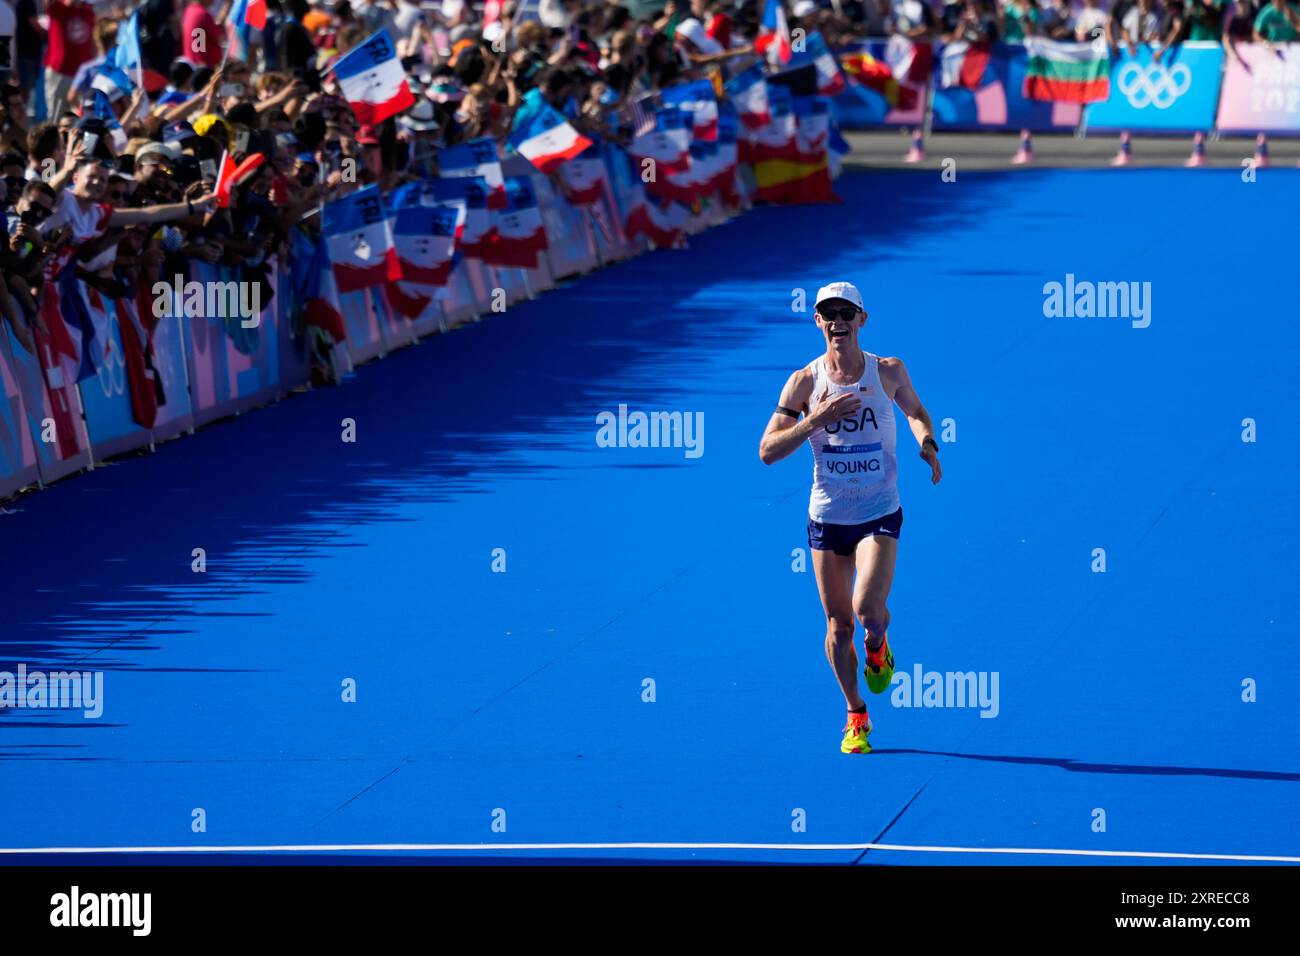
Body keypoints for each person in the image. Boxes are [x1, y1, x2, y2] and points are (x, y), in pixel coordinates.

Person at [758, 282, 942, 754]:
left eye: (846, 311)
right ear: (817, 322)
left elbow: (917, 410)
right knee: (838, 626)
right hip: (827, 518)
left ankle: (878, 645)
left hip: (879, 511)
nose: (837, 320)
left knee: (866, 613)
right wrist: (814, 420)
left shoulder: (887, 370)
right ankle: (856, 712)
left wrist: (927, 443)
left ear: (862, 319)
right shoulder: (803, 383)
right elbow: (767, 452)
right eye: (827, 313)